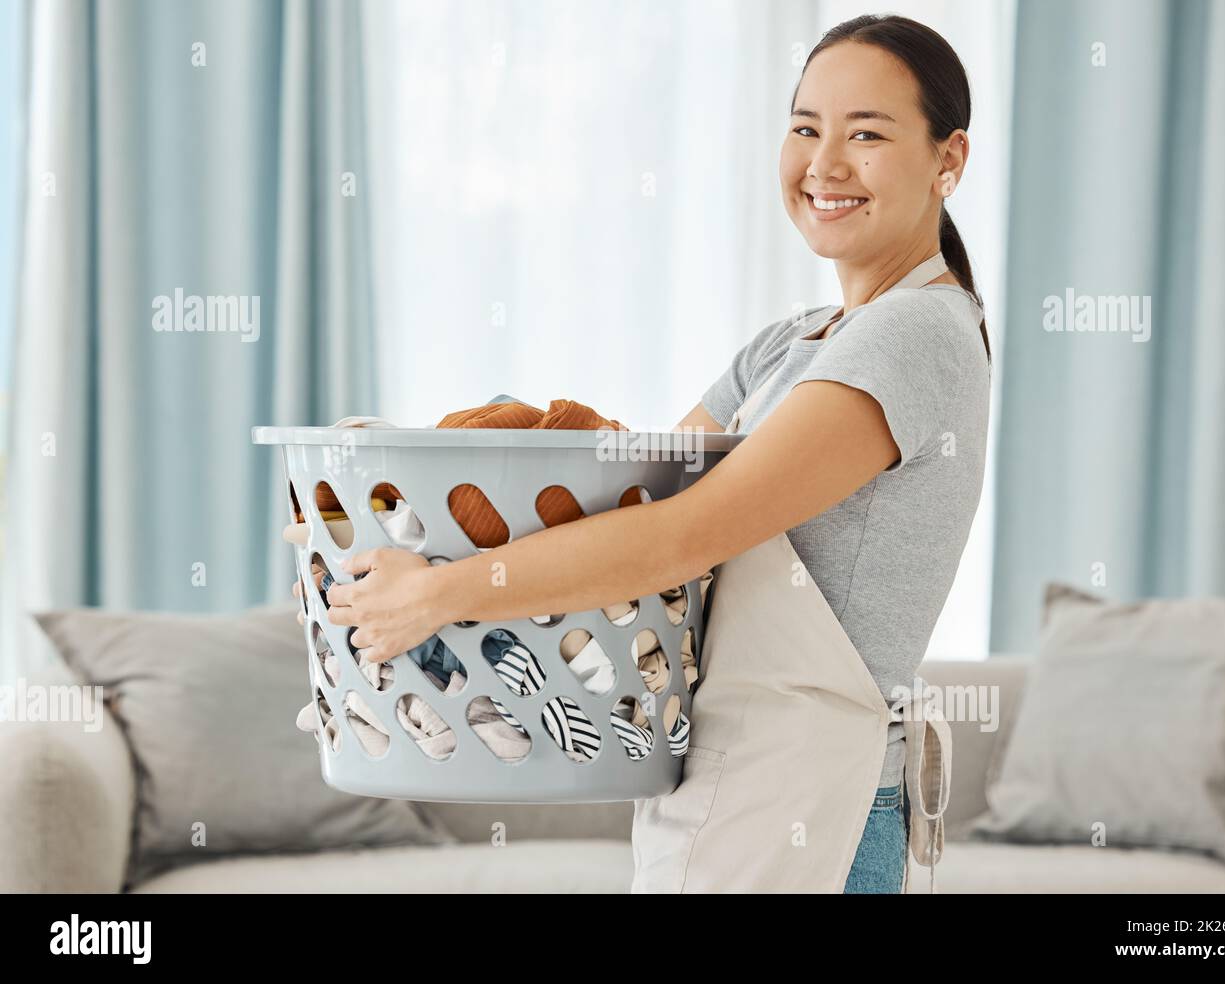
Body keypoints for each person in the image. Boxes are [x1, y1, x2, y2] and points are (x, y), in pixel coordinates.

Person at [296, 13, 990, 894]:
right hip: (737, 787)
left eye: (868, 134)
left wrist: (435, 595)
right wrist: (379, 528)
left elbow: (680, 536)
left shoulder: (915, 334)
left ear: (947, 161)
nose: (825, 164)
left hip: (815, 808)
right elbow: (624, 499)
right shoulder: (791, 344)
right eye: (806, 127)